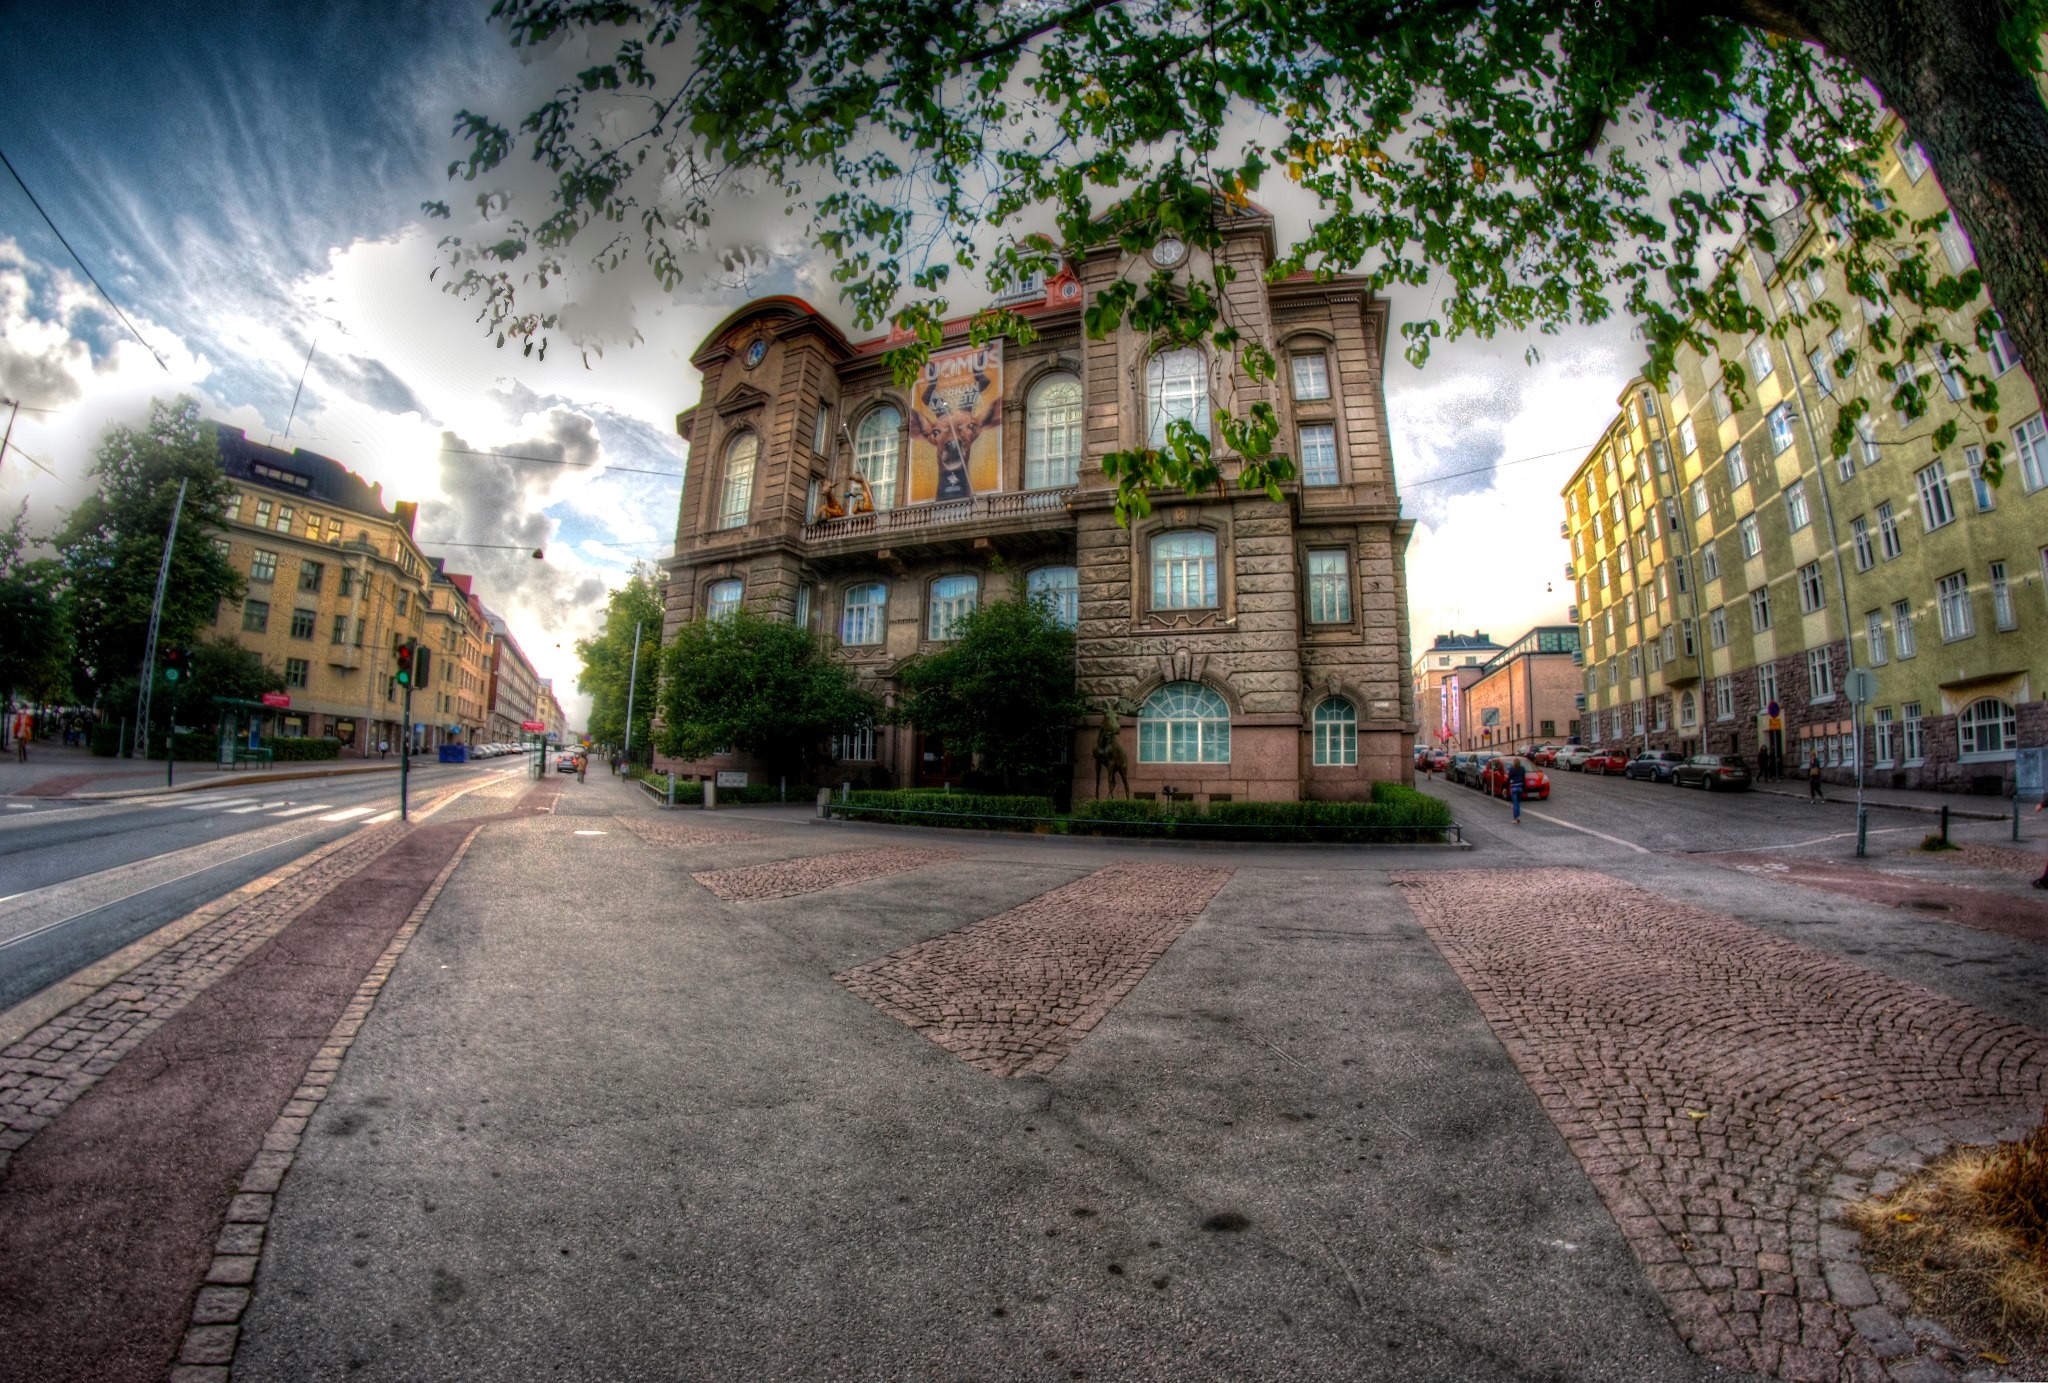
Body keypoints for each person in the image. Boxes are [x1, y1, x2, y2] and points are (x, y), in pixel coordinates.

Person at [1507, 757, 1527, 824]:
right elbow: (1524, 779)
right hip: (1520, 788)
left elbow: (1509, 779)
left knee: (1515, 804)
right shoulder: (1522, 769)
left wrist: (1506, 788)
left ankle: (1515, 818)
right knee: (1518, 803)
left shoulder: (1512, 770)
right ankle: (1518, 817)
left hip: (1514, 788)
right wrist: (1524, 788)